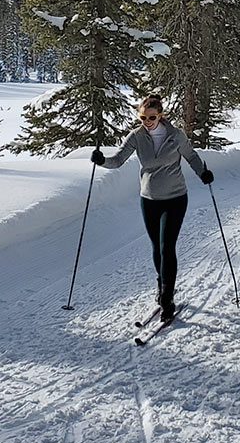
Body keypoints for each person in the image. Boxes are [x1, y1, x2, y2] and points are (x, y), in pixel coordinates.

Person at [91, 94, 213, 324]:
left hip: (175, 198)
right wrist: (101, 160)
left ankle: (167, 299)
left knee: (167, 246)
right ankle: (162, 285)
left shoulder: (175, 136)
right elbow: (117, 161)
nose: (146, 121)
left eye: (151, 117)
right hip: (149, 199)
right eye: (142, 117)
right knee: (156, 248)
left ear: (161, 116)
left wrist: (203, 173)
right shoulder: (137, 137)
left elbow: (191, 156)